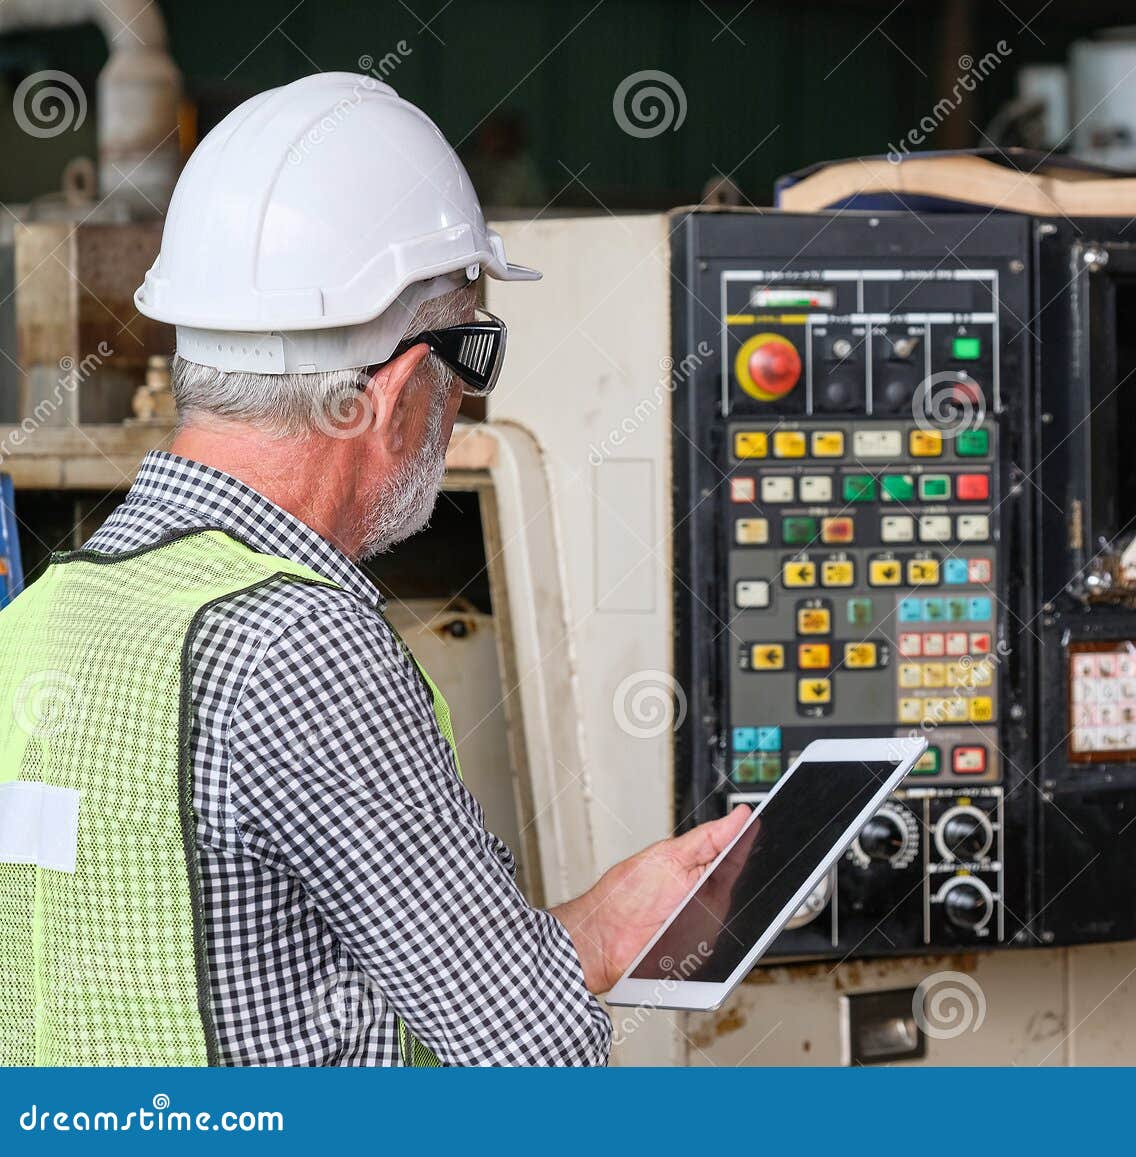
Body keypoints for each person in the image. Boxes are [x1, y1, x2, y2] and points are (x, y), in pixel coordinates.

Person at [0, 72, 746, 1066]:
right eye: (469, 358)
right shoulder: (298, 646)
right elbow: (531, 1060)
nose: (463, 402)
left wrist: (591, 937)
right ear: (395, 394)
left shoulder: (45, 615)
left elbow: (256, 965)